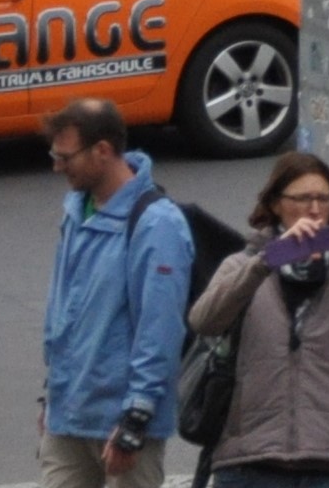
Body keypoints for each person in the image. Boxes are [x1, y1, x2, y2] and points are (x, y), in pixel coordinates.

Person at [184, 149, 329, 488]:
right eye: (303, 199)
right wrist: (268, 260)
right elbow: (203, 321)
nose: (314, 209)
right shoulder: (245, 265)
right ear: (275, 204)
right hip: (250, 459)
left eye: (323, 199)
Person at [36, 97, 195, 488]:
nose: (57, 166)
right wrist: (50, 395)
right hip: (69, 414)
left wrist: (136, 418)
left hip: (124, 424)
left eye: (66, 157)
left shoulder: (157, 224)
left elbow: (159, 331)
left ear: (103, 151)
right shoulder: (78, 208)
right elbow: (64, 309)